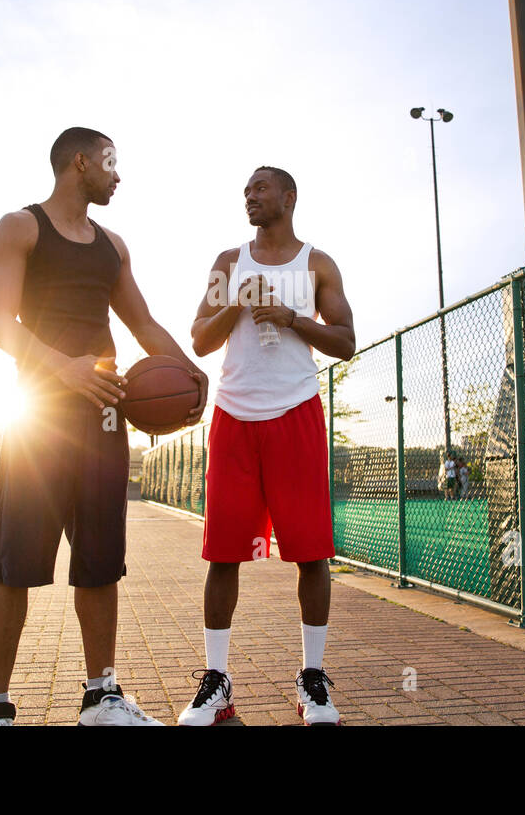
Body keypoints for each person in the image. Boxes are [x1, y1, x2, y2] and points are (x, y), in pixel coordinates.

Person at [0, 126, 208, 727]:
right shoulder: (20, 227)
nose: (118, 174)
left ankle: (101, 698)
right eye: (110, 162)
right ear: (79, 163)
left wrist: (189, 368)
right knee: (14, 565)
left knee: (101, 562)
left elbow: (144, 323)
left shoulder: (113, 245)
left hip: (104, 417)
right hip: (39, 418)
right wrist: (64, 369)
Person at [179, 165, 355, 726]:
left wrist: (293, 318)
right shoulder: (228, 262)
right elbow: (200, 338)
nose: (250, 196)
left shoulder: (318, 264)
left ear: (288, 197)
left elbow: (347, 341)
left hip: (295, 414)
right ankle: (217, 683)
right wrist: (237, 301)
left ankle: (312, 681)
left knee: (311, 553)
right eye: (246, 190)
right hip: (234, 415)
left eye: (260, 188)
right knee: (223, 552)